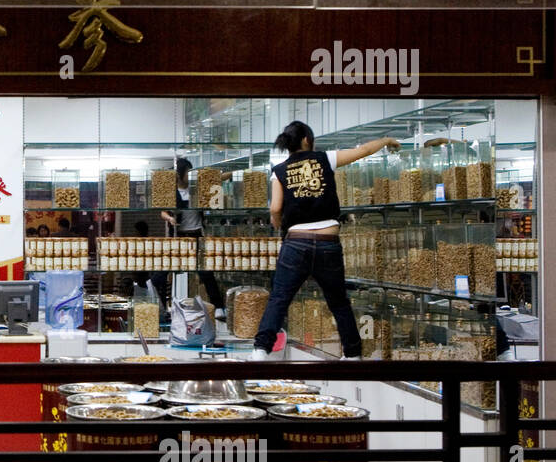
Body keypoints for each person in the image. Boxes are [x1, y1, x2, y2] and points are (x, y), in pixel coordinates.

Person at [251, 121, 400, 361]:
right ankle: (352, 355)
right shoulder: (325, 159)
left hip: (296, 242)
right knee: (338, 301)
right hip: (327, 242)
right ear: (307, 140)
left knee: (279, 298)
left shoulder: (279, 170)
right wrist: (385, 140)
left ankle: (260, 351)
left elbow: (275, 207)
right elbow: (363, 151)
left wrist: (277, 222)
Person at [152, 157, 225, 316]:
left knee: (206, 271)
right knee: (161, 273)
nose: (190, 176)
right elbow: (162, 211)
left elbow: (219, 179)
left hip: (196, 235)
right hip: (178, 238)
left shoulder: (197, 189)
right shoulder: (171, 193)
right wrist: (170, 218)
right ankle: (161, 307)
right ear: (179, 175)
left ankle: (218, 306)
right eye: (188, 173)